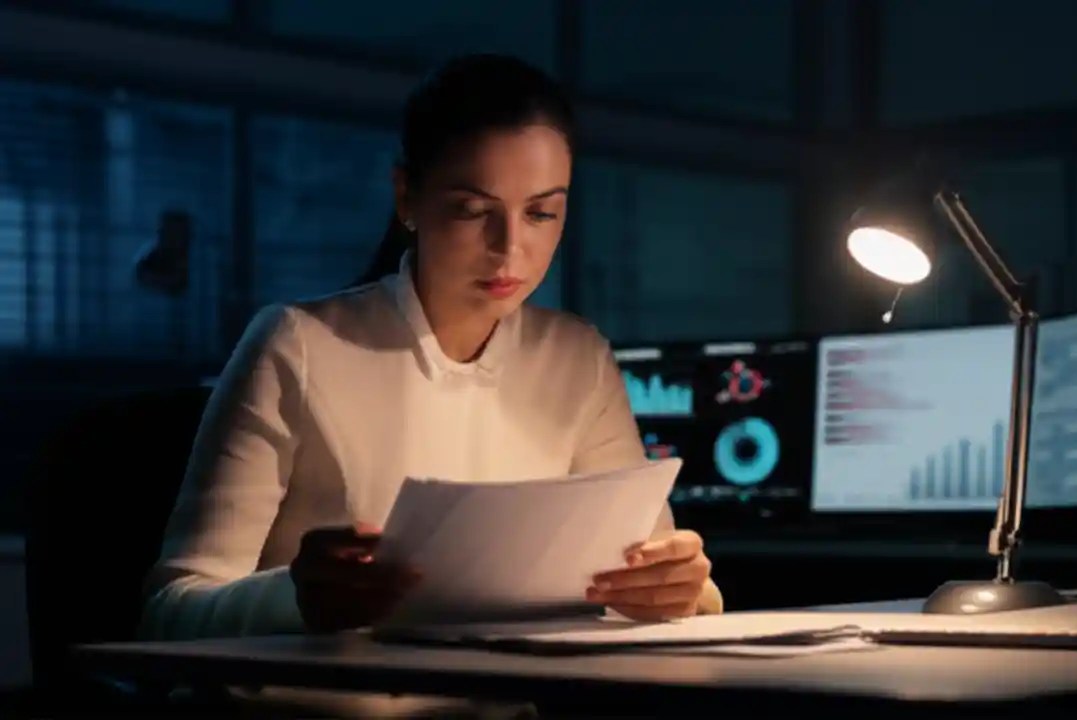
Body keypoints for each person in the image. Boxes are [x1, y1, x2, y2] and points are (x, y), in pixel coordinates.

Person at [139, 53, 722, 645]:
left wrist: (686, 591)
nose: (510, 248)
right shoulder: (299, 347)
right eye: (474, 210)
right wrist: (295, 595)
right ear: (406, 196)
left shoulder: (577, 359)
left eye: (542, 212)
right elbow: (169, 610)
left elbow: (651, 575)